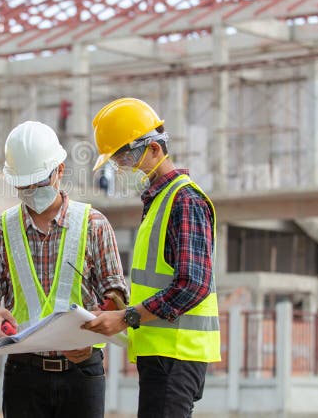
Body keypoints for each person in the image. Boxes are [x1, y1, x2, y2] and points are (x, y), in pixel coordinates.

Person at [0, 120, 127, 418]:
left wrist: (92, 335)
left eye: (39, 182)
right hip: (23, 372)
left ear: (60, 171)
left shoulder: (94, 224)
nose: (31, 191)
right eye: (24, 185)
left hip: (82, 370)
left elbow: (115, 293)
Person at [82, 98, 220, 418]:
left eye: (126, 156)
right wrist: (119, 307)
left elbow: (192, 285)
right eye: (117, 161)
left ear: (156, 149)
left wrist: (128, 317)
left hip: (176, 355)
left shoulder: (185, 201)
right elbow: (159, 281)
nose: (122, 167)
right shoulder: (157, 202)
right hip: (161, 354)